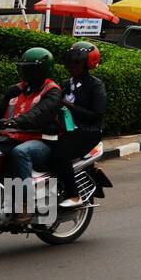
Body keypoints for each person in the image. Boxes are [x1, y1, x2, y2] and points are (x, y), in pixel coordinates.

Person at [0, 47, 65, 224]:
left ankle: (25, 204)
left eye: (30, 69)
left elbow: (39, 113)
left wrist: (15, 121)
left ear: (42, 70)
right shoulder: (16, 89)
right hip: (10, 138)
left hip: (40, 141)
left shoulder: (52, 91)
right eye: (23, 68)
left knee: (20, 153)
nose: (25, 72)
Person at [50, 41, 107, 208]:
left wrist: (70, 106)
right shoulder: (65, 84)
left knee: (59, 155)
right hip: (64, 129)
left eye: (78, 62)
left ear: (88, 64)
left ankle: (74, 195)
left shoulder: (95, 85)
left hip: (87, 131)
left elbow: (97, 114)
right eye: (70, 61)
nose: (73, 65)